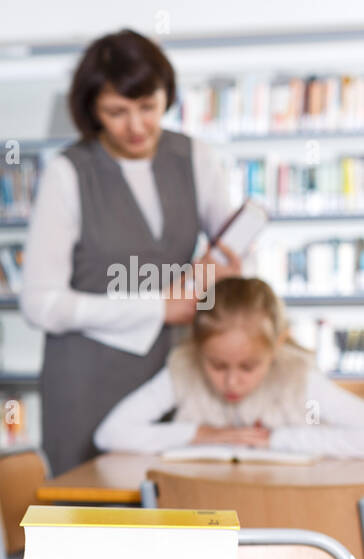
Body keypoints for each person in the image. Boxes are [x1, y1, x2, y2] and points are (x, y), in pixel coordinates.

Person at [21, 28, 243, 475]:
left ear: (167, 96)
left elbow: (230, 248)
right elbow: (40, 304)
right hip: (87, 379)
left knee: (176, 505)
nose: (137, 126)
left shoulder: (196, 157)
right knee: (89, 516)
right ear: (92, 111)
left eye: (148, 107)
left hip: (176, 373)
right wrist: (159, 306)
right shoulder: (69, 173)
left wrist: (227, 273)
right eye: (117, 112)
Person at [94, 277, 364, 456]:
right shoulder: (184, 369)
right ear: (199, 348)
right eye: (217, 365)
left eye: (248, 367)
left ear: (277, 346)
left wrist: (275, 439)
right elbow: (110, 433)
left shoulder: (298, 377)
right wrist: (200, 434)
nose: (232, 382)